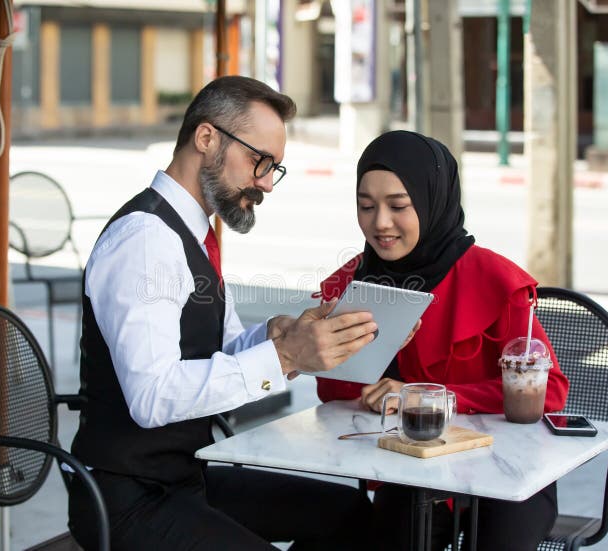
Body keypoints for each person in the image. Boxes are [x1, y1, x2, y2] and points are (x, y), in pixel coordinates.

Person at [68, 76, 380, 551]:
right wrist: (285, 358)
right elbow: (152, 397)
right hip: (127, 498)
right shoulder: (146, 240)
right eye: (260, 161)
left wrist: (279, 337)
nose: (266, 183)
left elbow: (219, 350)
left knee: (351, 513)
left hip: (183, 478)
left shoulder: (192, 235)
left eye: (274, 168)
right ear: (206, 138)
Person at [315, 130, 570, 551]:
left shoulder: (492, 277)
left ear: (433, 201)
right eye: (366, 206)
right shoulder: (353, 282)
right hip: (411, 470)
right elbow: (330, 390)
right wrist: (378, 349)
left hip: (509, 469)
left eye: (399, 206)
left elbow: (552, 390)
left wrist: (433, 398)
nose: (380, 223)